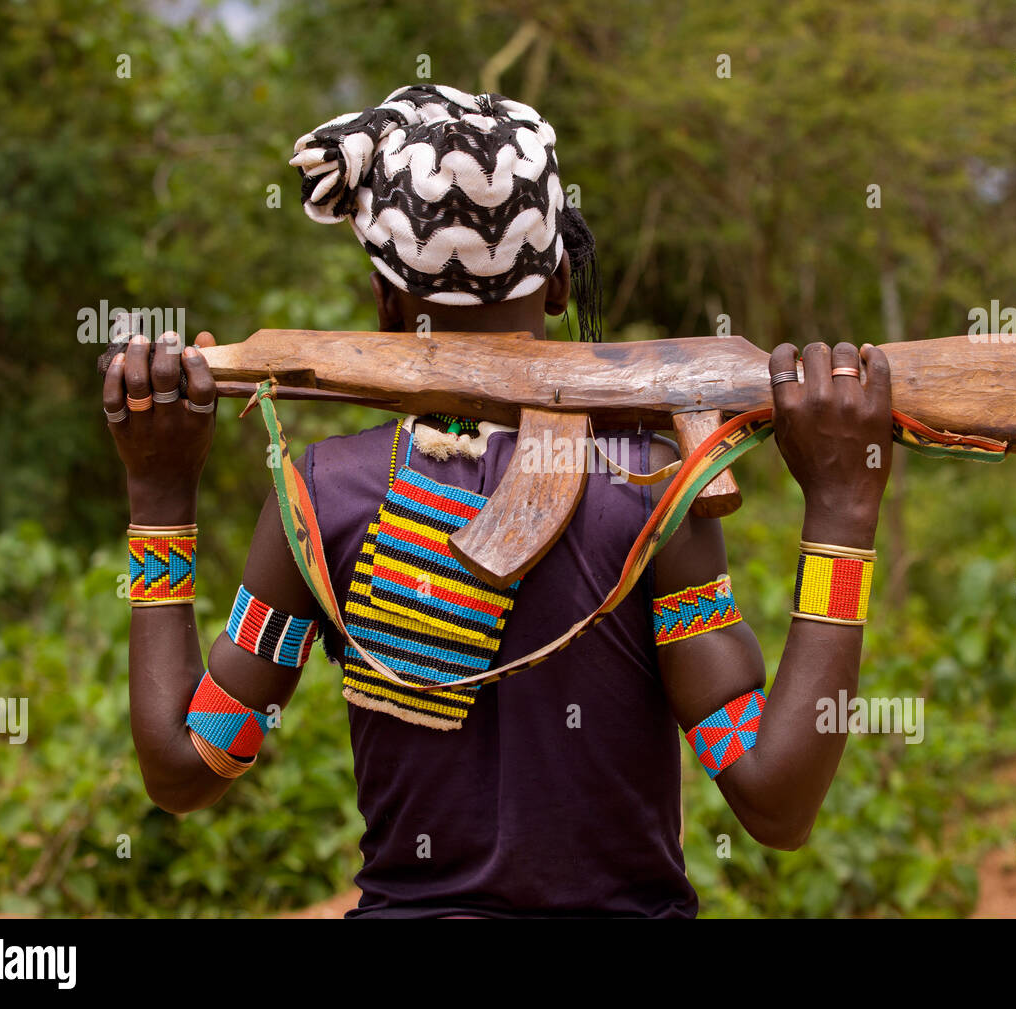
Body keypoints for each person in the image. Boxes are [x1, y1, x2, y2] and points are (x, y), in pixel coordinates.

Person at [100, 84, 893, 918]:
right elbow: (776, 801)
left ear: (385, 298)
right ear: (558, 282)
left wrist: (159, 494)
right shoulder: (651, 491)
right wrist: (841, 510)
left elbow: (187, 769)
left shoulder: (319, 503)